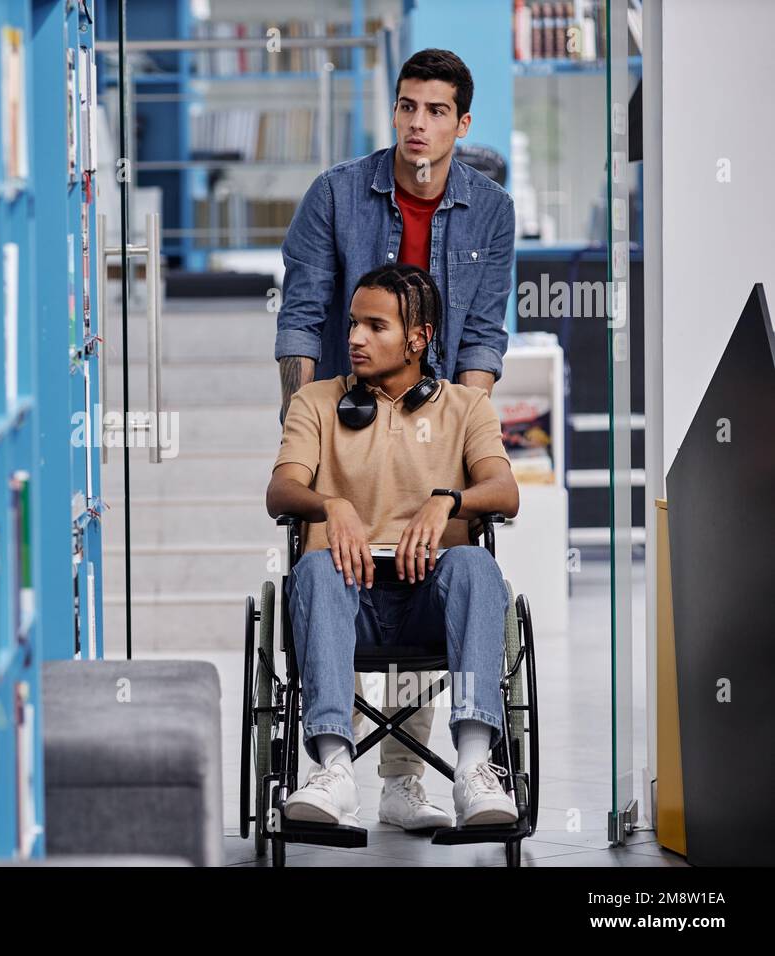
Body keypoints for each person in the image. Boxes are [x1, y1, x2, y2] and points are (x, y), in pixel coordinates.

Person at [274, 48, 516, 829]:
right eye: (407, 107)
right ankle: (334, 769)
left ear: (461, 123)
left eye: (436, 111)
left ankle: (414, 777)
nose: (418, 124)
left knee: (448, 565)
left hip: (438, 418)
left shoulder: (490, 209)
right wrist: (314, 420)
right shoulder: (337, 195)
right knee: (334, 563)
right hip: (348, 410)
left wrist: (454, 434)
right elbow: (303, 315)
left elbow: (480, 337)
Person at [266, 264, 520, 828]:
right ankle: (333, 770)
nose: (355, 337)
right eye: (353, 323)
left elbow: (505, 491)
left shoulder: (464, 407)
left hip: (429, 602)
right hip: (346, 602)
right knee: (314, 567)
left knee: (476, 563)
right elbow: (280, 489)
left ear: (419, 338)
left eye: (375, 326)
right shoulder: (315, 402)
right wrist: (333, 506)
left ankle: (474, 770)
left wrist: (448, 500)